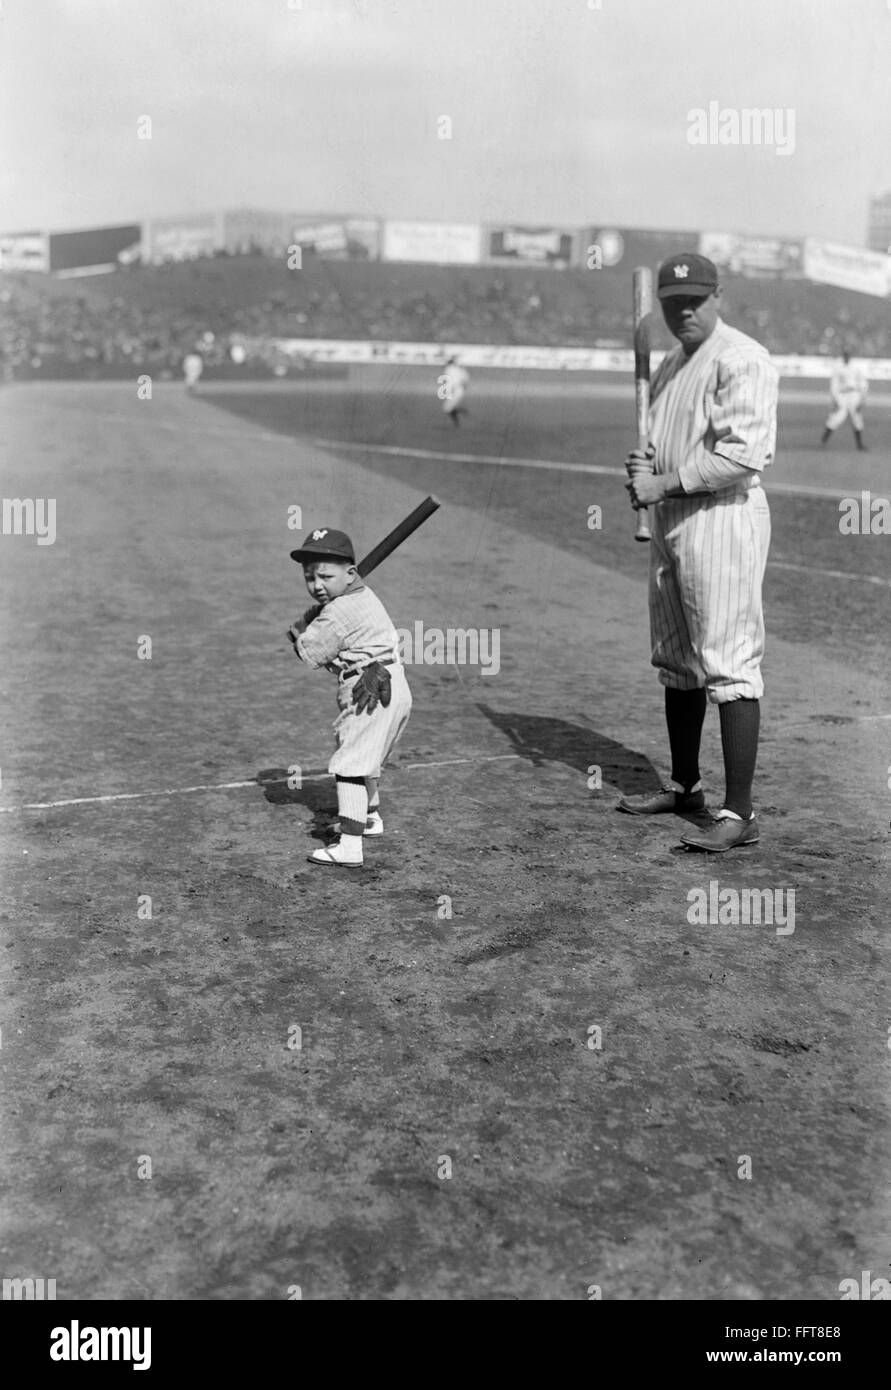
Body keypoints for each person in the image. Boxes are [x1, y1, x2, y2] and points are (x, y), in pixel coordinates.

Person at [620, 253, 779, 852]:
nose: (684, 310)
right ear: (660, 304)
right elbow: (662, 449)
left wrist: (661, 483)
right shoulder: (670, 363)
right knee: (678, 657)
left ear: (718, 297)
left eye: (695, 300)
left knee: (729, 662)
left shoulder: (742, 358)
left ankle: (740, 814)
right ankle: (686, 786)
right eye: (673, 302)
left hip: (724, 518)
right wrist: (643, 469)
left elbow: (744, 455)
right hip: (673, 519)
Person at [286, 528, 412, 867]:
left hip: (369, 687)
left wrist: (299, 633)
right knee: (365, 755)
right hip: (392, 684)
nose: (317, 585)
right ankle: (369, 818)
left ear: (351, 574)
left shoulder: (338, 611)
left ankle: (350, 847)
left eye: (326, 576)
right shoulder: (361, 595)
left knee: (351, 764)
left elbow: (312, 654)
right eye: (310, 577)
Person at [821, 351, 868, 450]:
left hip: (854, 394)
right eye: (845, 355)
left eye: (848, 355)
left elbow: (862, 382)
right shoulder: (838, 368)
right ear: (843, 357)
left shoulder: (856, 367)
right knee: (838, 417)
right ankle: (824, 440)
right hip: (842, 395)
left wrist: (863, 398)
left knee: (856, 418)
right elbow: (834, 384)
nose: (847, 357)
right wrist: (834, 399)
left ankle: (859, 444)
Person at [439, 355, 469, 426]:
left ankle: (462, 414)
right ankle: (459, 418)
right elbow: (466, 378)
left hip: (456, 390)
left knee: (446, 408)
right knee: (447, 408)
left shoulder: (449, 369)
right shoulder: (460, 369)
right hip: (459, 389)